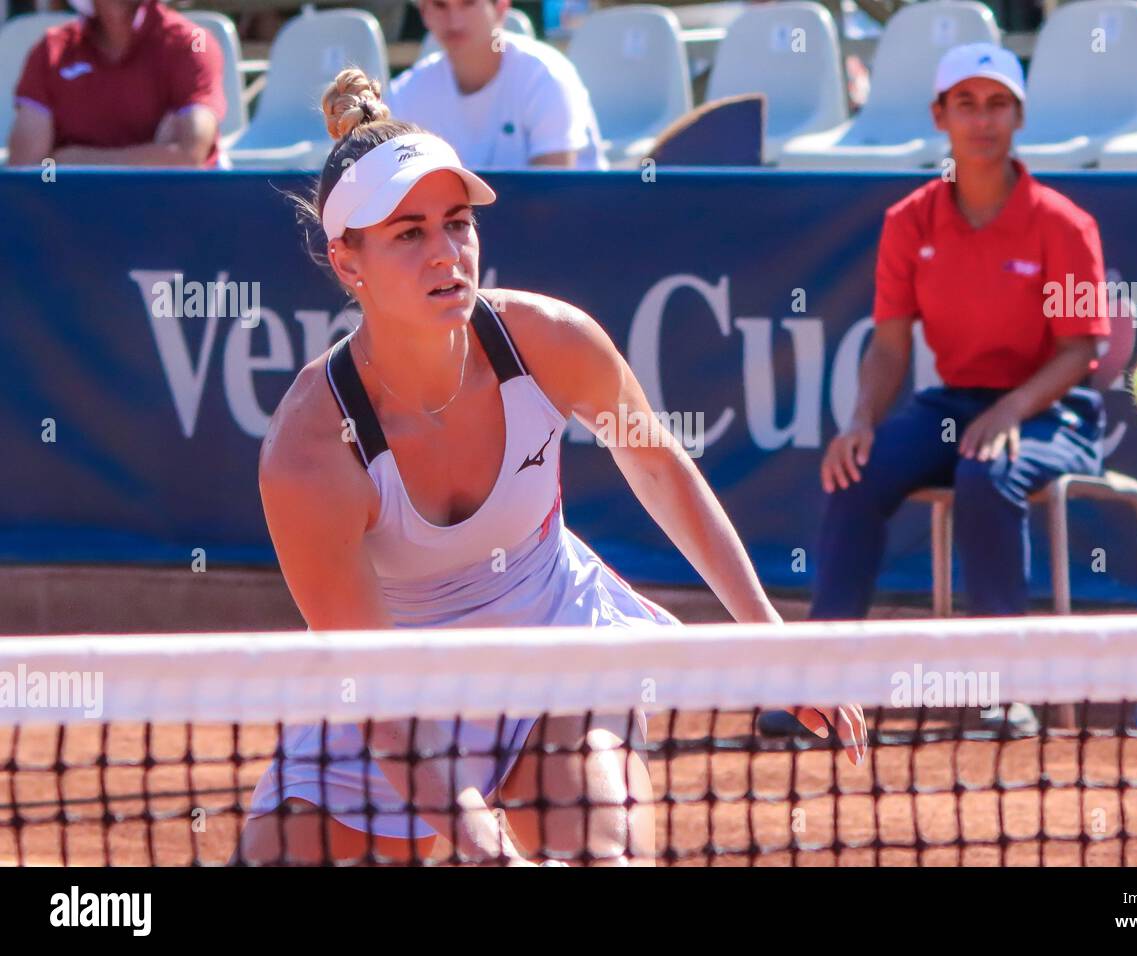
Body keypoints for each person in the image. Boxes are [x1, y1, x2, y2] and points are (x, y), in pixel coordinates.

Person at [235, 70, 864, 866]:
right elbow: (379, 696)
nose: (446, 255)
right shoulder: (308, 454)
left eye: (457, 224)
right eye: (409, 234)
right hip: (387, 690)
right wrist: (484, 844)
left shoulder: (552, 340)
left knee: (605, 857)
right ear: (348, 262)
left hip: (552, 639)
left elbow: (660, 469)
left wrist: (774, 647)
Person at [763, 43, 1110, 737]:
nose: (982, 120)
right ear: (940, 116)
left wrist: (1012, 410)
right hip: (954, 405)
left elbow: (1082, 349)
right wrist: (859, 419)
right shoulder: (907, 221)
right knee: (854, 473)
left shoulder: (1067, 225)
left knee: (986, 473)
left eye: (998, 105)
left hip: (1054, 414)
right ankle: (820, 687)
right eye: (966, 104)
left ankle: (1004, 688)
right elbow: (890, 345)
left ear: (1019, 117)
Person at [386, 0, 605, 170]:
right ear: (424, 13)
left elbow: (553, 194)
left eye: (468, 3)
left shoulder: (545, 75)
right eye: (439, 5)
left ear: (501, 6)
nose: (454, 20)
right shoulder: (407, 91)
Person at [7, 0, 225, 168]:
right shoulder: (51, 50)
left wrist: (71, 158)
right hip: (75, 215)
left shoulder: (192, 43)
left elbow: (190, 156)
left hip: (171, 213)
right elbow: (28, 167)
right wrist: (155, 155)